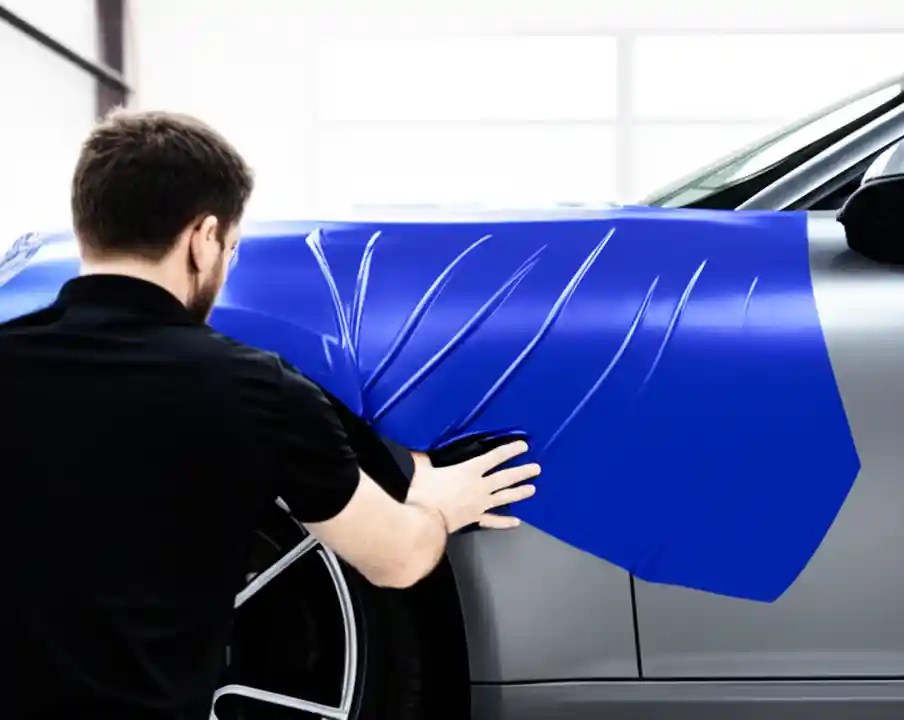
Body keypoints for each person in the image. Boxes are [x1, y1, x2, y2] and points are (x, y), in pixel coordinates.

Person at [0, 109, 539, 719]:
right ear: (203, 240)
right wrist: (439, 506)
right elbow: (396, 560)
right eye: (230, 247)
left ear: (86, 228)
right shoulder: (254, 388)